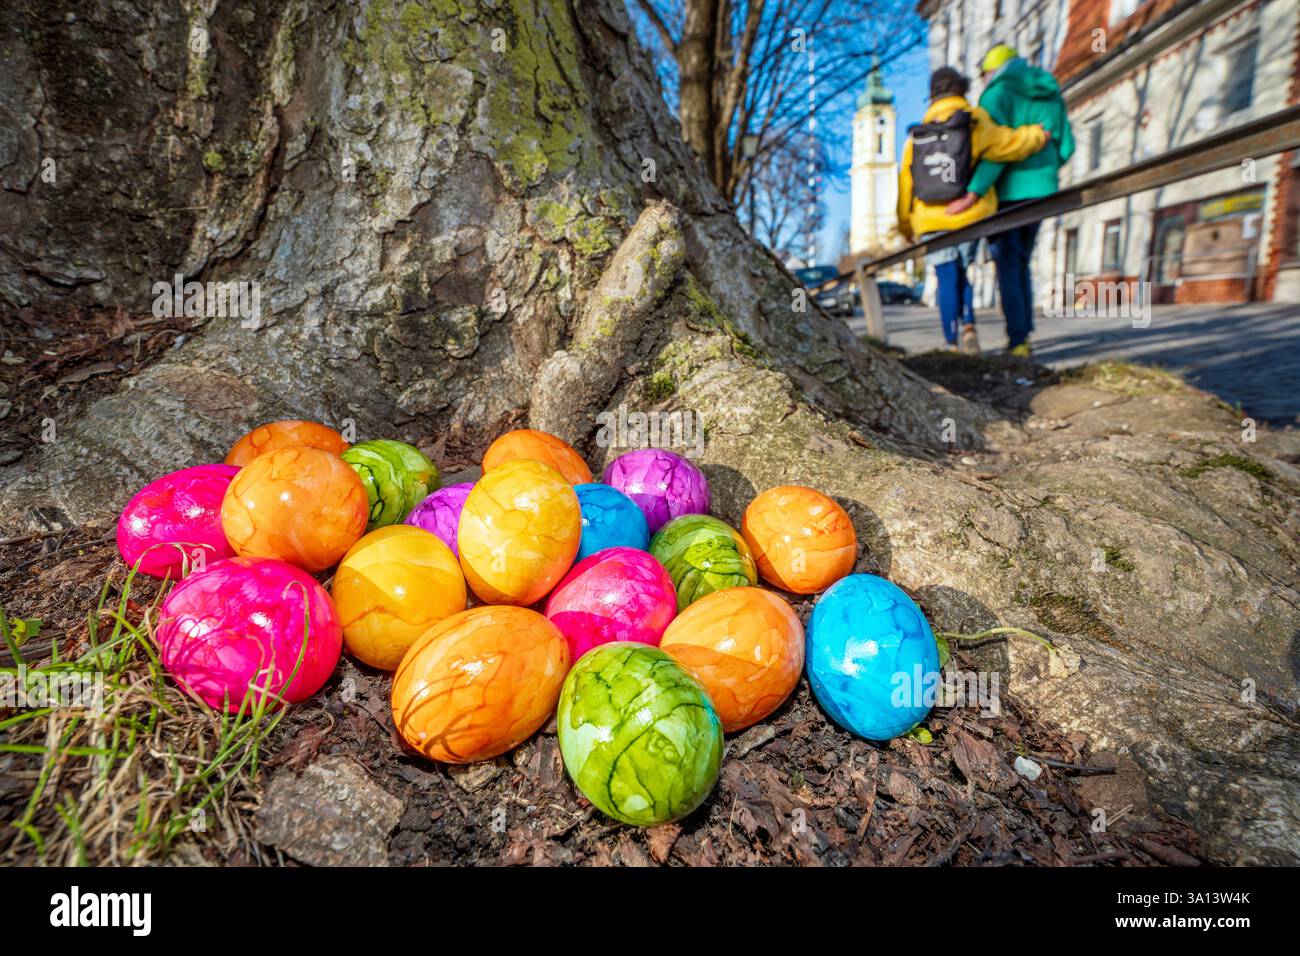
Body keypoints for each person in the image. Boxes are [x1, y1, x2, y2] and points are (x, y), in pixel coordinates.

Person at [897, 67, 1050, 355]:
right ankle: (968, 325)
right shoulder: (974, 121)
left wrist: (906, 225)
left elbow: (905, 184)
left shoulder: (917, 134)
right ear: (962, 90)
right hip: (968, 217)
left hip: (929, 220)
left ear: (932, 95)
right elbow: (1007, 144)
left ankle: (951, 342)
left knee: (945, 277)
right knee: (963, 271)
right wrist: (1036, 136)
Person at [946, 44, 1075, 357]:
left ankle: (1018, 340)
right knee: (1022, 264)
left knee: (1006, 263)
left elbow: (996, 154)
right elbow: (1066, 147)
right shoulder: (1049, 89)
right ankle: (1024, 334)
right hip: (1043, 191)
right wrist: (1045, 173)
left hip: (1006, 193)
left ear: (991, 71)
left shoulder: (996, 96)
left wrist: (973, 193)